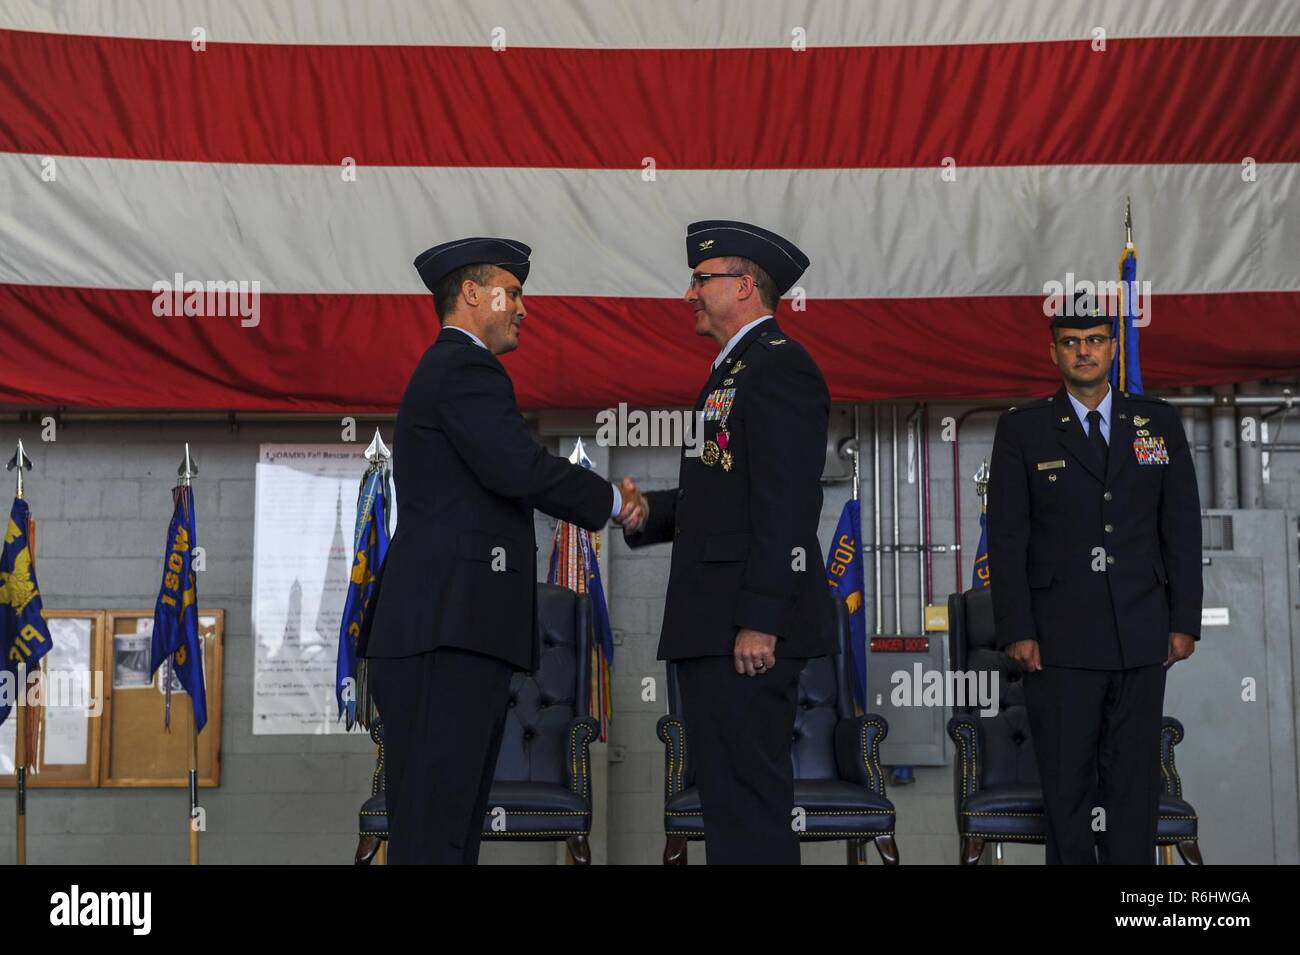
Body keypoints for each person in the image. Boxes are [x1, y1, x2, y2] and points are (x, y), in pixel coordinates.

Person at [362, 236, 645, 864]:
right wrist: (612, 503)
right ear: (471, 293)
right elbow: (518, 468)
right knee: (436, 833)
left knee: (449, 830)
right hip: (445, 634)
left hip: (454, 634)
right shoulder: (464, 367)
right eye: (511, 292)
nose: (523, 309)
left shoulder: (454, 370)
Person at [625, 220, 835, 864]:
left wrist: (761, 620)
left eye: (700, 279)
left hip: (744, 633)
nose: (688, 293)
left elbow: (788, 504)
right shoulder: (733, 371)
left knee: (748, 809)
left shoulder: (779, 366)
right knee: (729, 806)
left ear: (745, 286)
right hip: (714, 627)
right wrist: (648, 515)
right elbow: (727, 501)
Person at [987, 293, 1202, 864]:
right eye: (1071, 342)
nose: (1084, 351)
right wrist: (1018, 629)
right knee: (1067, 786)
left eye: (1096, 340)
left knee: (1134, 785)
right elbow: (1007, 539)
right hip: (1058, 640)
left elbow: (1181, 527)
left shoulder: (1157, 421)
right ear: (1053, 350)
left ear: (1114, 347)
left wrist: (1184, 621)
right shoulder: (1024, 429)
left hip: (1141, 633)